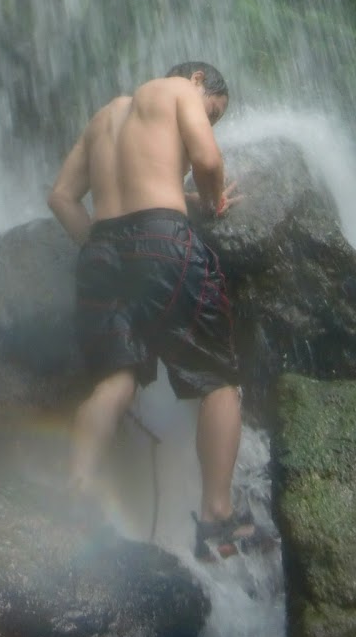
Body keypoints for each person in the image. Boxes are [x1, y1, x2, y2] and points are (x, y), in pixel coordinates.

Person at [47, 60, 254, 560]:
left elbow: (61, 198)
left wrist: (99, 249)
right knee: (218, 378)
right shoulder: (179, 89)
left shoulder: (105, 116)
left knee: (115, 381)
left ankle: (74, 495)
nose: (210, 120)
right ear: (198, 81)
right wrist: (213, 201)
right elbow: (207, 160)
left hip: (101, 250)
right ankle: (218, 519)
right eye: (213, 113)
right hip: (165, 244)